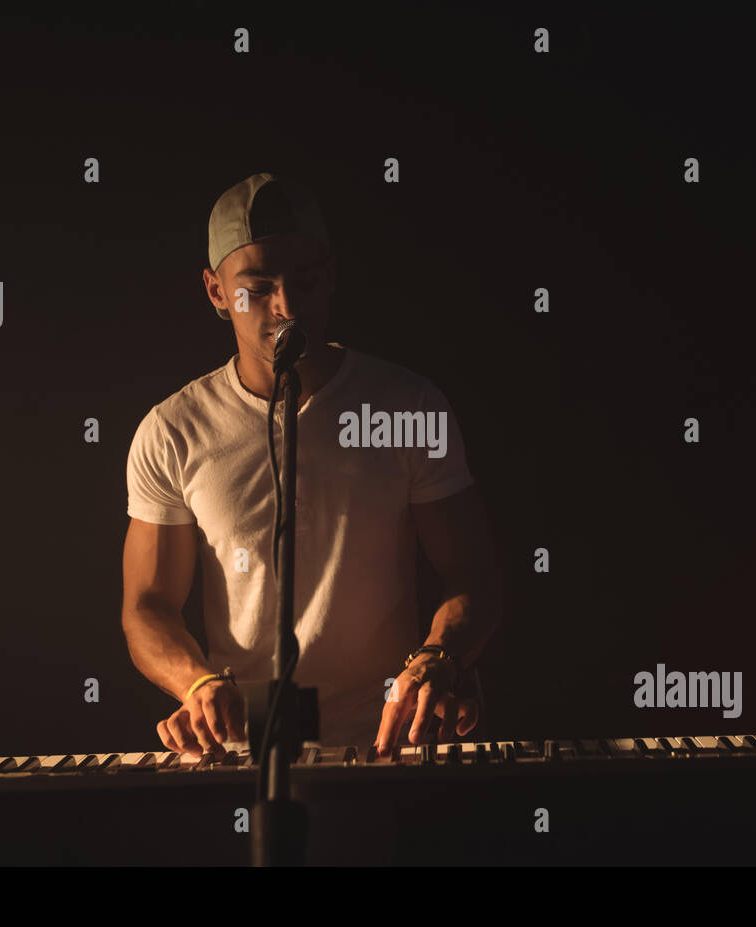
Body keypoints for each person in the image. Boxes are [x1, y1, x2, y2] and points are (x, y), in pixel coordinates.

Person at [121, 172, 501, 758]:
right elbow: (147, 604)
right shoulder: (174, 430)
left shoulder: (406, 405)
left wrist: (437, 659)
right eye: (258, 285)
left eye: (305, 280)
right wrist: (193, 683)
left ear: (332, 277)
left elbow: (472, 572)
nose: (286, 306)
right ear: (217, 292)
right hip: (242, 747)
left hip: (386, 744)